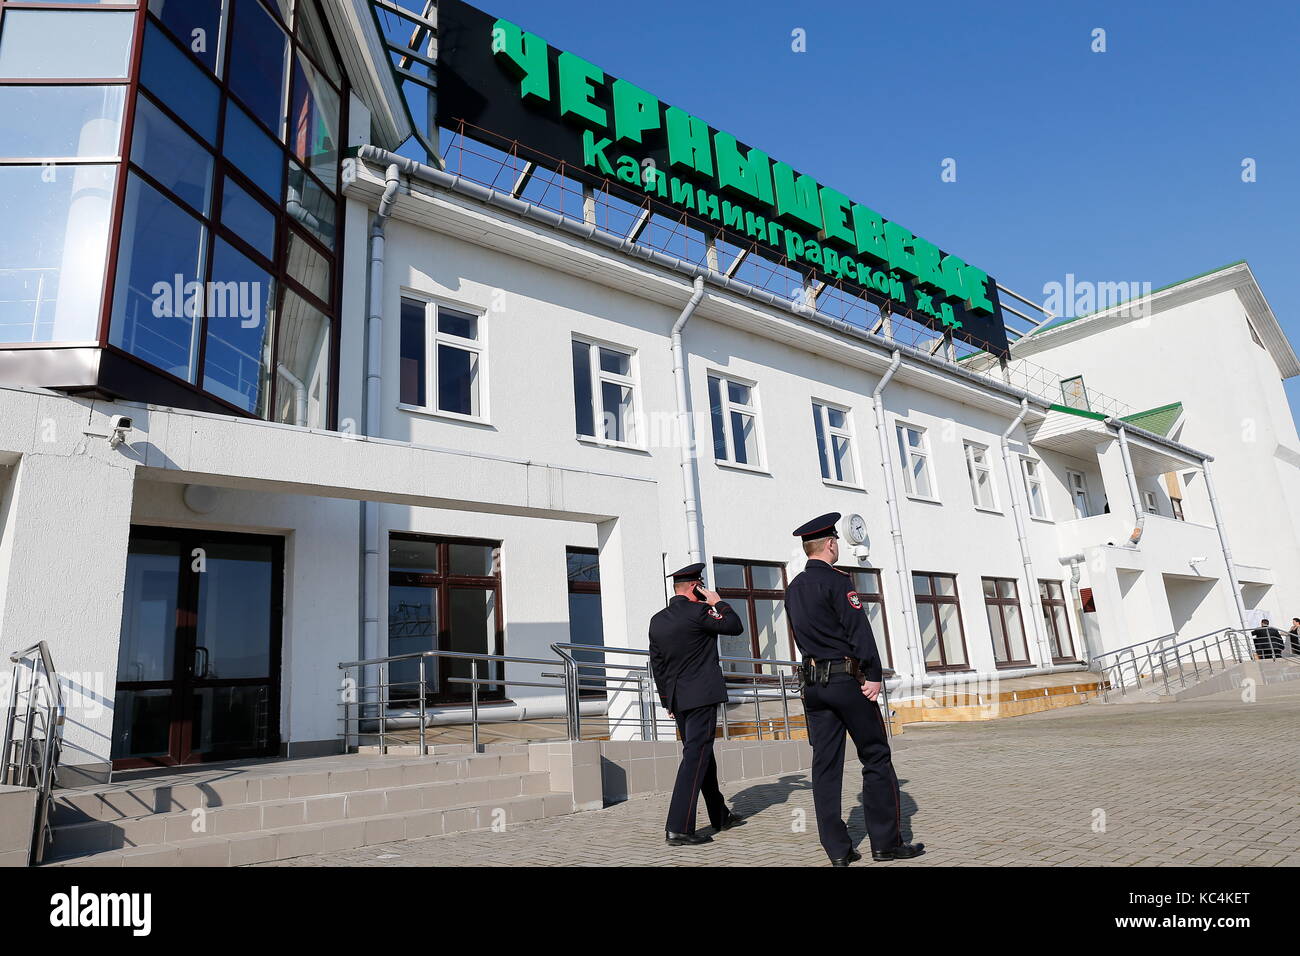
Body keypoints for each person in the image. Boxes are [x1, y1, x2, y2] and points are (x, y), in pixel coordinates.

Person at [786, 513, 924, 867]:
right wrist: (874, 675)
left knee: (825, 766)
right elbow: (858, 630)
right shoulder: (837, 582)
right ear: (831, 544)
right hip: (847, 683)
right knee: (876, 756)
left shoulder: (794, 587)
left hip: (813, 686)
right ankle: (886, 843)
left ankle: (838, 850)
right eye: (836, 543)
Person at [647, 562, 748, 846]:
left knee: (703, 755)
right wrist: (719, 602)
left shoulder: (658, 620)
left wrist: (667, 699)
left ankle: (719, 815)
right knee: (696, 757)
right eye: (701, 586)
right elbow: (734, 626)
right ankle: (678, 827)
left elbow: (657, 664)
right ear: (695, 587)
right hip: (702, 696)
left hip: (679, 699)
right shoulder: (700, 611)